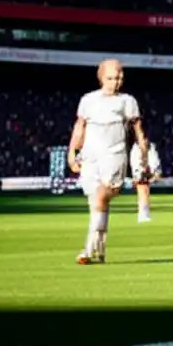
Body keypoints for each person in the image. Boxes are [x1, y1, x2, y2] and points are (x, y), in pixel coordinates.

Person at [68, 58, 149, 265]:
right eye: (111, 77)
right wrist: (72, 152)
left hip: (115, 155)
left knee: (101, 198)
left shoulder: (127, 101)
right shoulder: (88, 100)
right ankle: (100, 249)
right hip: (90, 156)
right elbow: (80, 127)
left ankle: (87, 250)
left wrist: (144, 157)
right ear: (101, 78)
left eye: (119, 76)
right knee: (95, 202)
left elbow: (139, 132)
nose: (116, 81)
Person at [130, 141, 162, 223]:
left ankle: (145, 213)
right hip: (140, 149)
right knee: (142, 184)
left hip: (148, 148)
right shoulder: (136, 148)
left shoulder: (152, 147)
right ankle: (142, 214)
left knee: (145, 187)